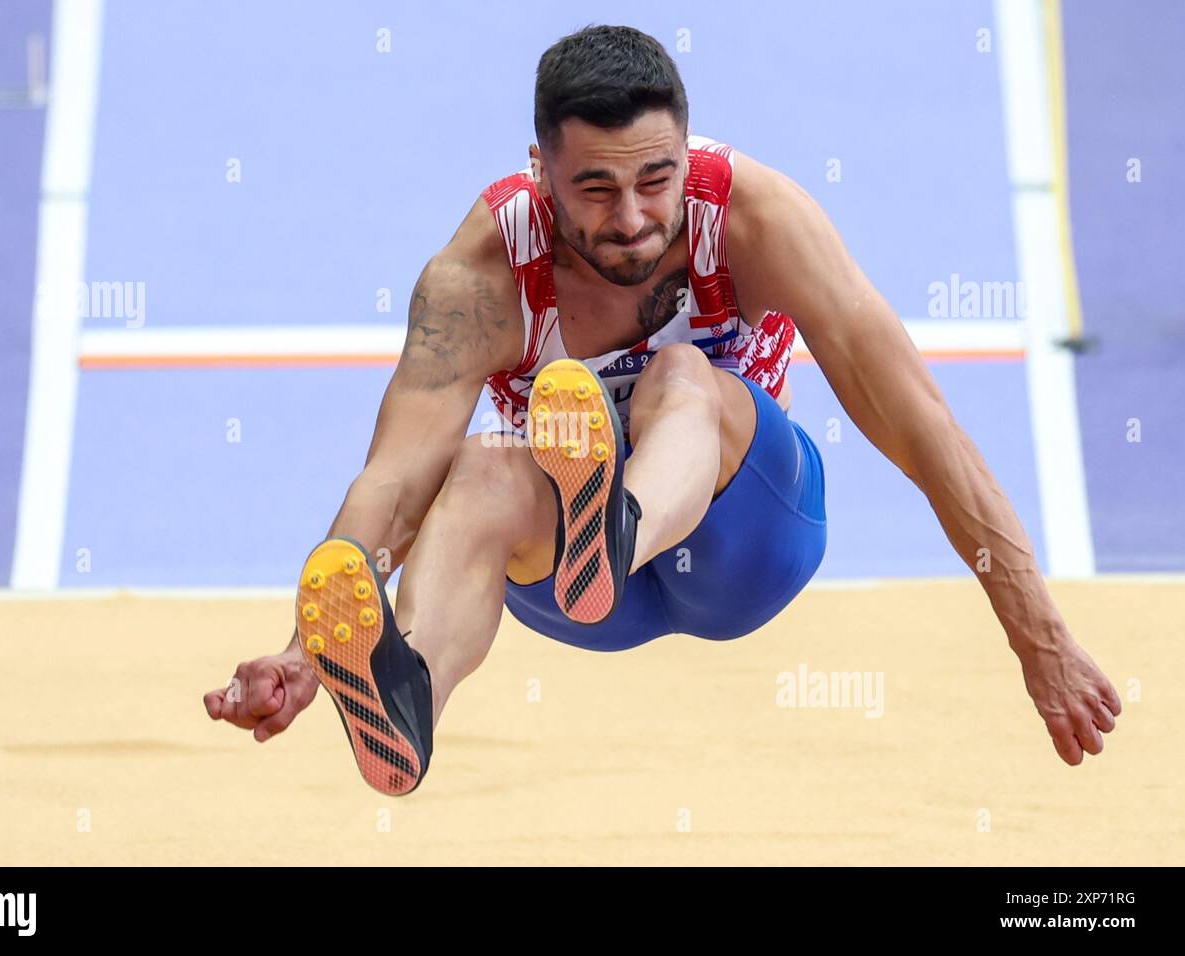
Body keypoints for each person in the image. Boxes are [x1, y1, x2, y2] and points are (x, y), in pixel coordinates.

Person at [203, 25, 1121, 795]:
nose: (634, 218)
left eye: (656, 180)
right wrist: (304, 654)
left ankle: (617, 524)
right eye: (594, 190)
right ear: (540, 171)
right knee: (481, 468)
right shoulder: (480, 273)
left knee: (681, 376)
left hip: (747, 543)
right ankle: (408, 705)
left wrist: (1037, 635)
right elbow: (397, 478)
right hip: (573, 594)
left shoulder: (755, 219)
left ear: (689, 151)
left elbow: (922, 426)